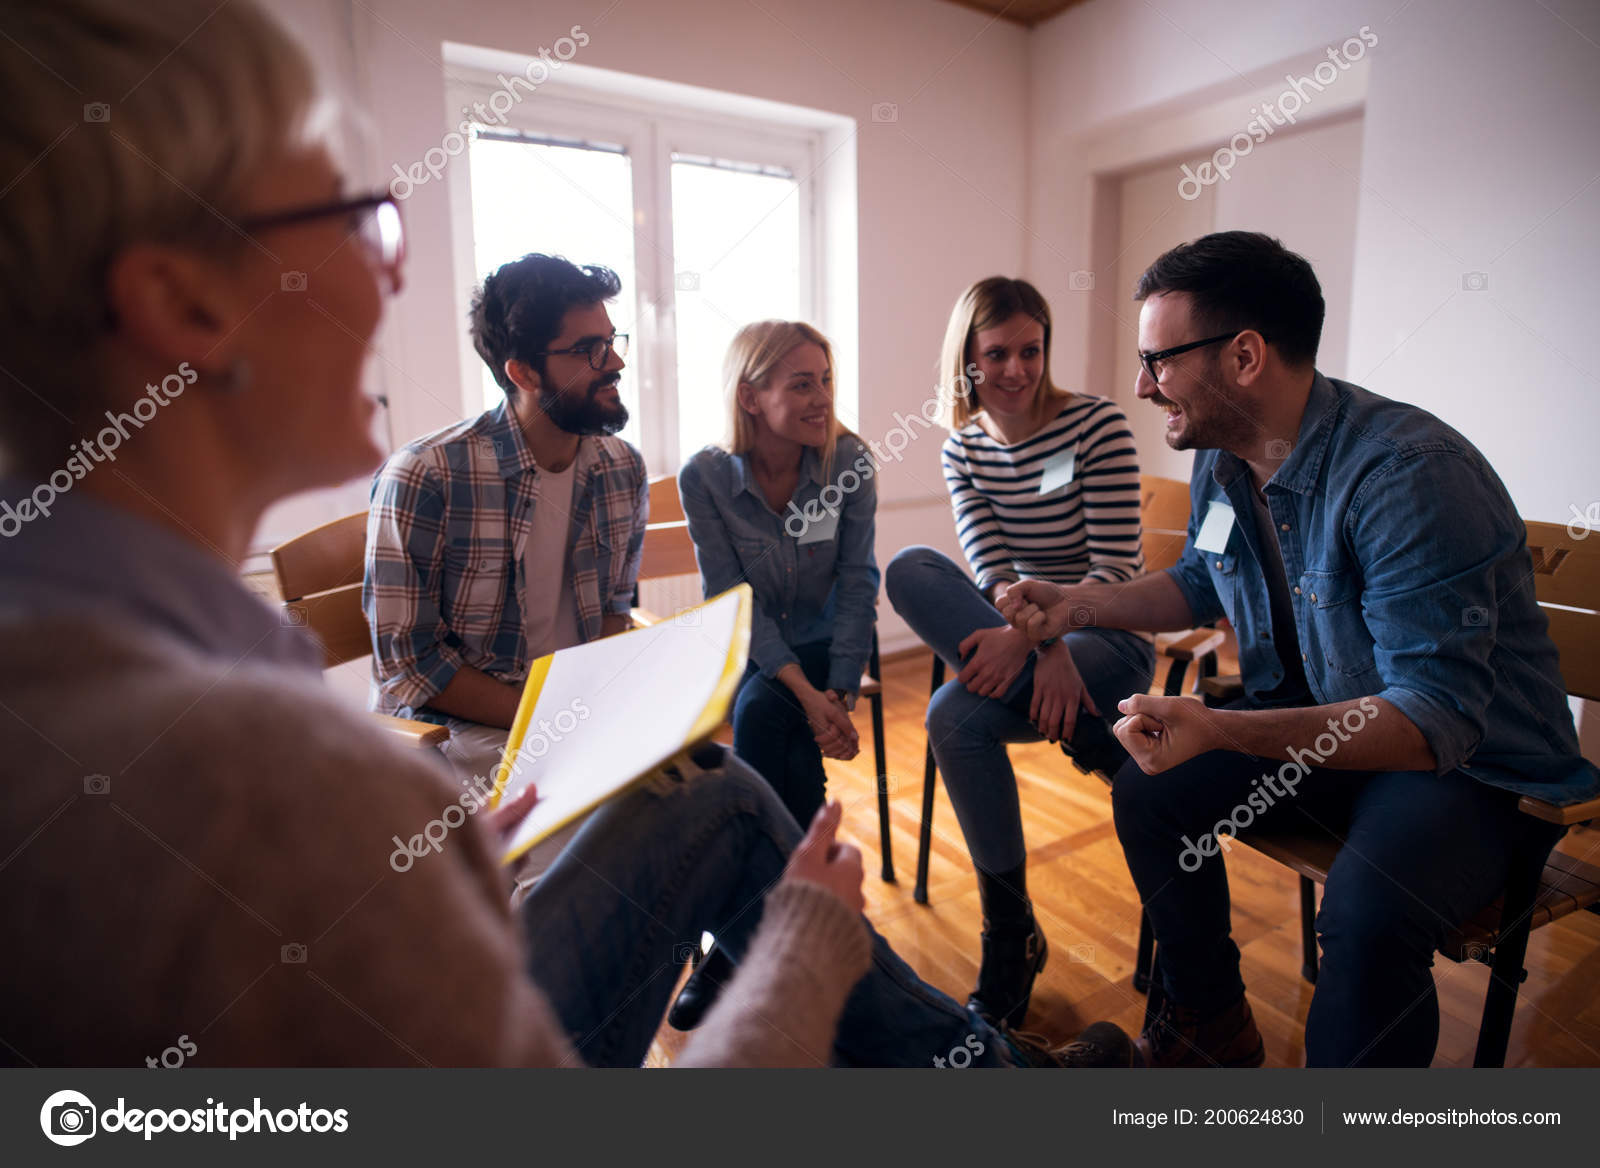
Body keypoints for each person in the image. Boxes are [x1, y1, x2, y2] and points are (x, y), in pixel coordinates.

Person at [0, 0, 1138, 1069]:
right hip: (494, 766)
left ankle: (956, 1052)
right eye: (352, 222)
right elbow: (418, 680)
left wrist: (615, 717)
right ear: (180, 302)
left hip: (561, 766)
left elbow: (620, 622)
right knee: (745, 793)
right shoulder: (300, 725)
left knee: (728, 786)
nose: (381, 273)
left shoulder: (613, 475)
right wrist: (803, 939)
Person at [1000, 231, 1599, 1067]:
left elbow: (1432, 721)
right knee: (1149, 792)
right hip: (1334, 734)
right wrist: (1077, 605)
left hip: (1470, 770)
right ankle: (1209, 1033)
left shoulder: (1408, 475)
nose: (1142, 385)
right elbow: (1200, 586)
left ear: (1244, 356)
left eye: (1159, 360)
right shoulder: (1222, 458)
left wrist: (1222, 728)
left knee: (1366, 909)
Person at [885, 277, 1155, 1029]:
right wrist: (1042, 646)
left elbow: (1116, 575)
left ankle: (1008, 941)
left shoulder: (1097, 426)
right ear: (965, 361)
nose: (1015, 370)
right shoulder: (963, 450)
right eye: (995, 353)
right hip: (1036, 645)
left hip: (1111, 642)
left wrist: (1051, 636)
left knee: (946, 712)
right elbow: (993, 575)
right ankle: (1017, 926)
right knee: (911, 568)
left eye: (1030, 350)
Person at [364, 251, 645, 884]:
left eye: (613, 341)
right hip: (460, 735)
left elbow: (611, 612)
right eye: (590, 349)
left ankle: (705, 984)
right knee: (589, 862)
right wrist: (552, 718)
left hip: (574, 718)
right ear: (522, 371)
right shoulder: (427, 476)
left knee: (702, 806)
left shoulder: (622, 469)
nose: (616, 363)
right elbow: (411, 666)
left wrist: (600, 710)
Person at [678, 321, 879, 827]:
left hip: (826, 643)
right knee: (773, 715)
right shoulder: (705, 477)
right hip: (749, 646)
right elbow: (730, 598)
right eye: (802, 384)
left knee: (763, 714)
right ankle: (804, 876)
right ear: (750, 397)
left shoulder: (849, 462)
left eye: (827, 380)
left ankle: (768, 878)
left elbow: (858, 580)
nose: (823, 398)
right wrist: (811, 700)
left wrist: (838, 688)